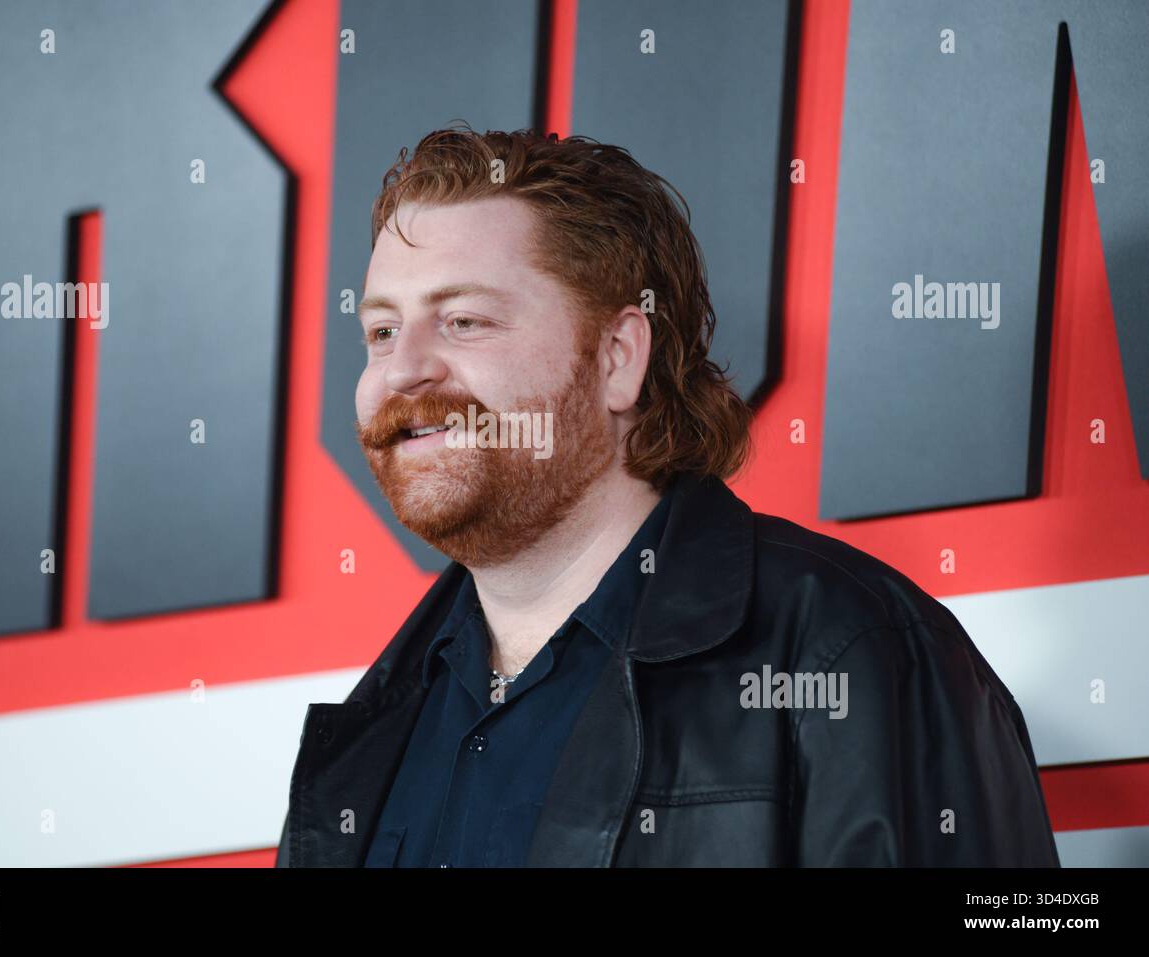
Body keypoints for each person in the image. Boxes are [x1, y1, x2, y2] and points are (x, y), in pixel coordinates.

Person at [275, 124, 1060, 867]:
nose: (402, 369)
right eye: (380, 332)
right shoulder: (373, 728)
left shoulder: (857, 652)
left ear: (619, 357)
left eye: (464, 320)